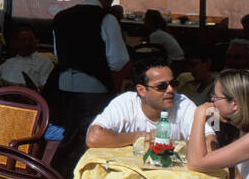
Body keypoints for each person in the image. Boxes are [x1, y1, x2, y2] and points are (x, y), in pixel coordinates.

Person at [51, 0, 132, 173]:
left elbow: (56, 54)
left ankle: (59, 176)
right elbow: (119, 60)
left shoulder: (61, 16)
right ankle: (75, 177)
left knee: (69, 133)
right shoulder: (106, 18)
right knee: (87, 137)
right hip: (94, 87)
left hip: (63, 85)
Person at [87, 57, 218, 152]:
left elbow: (211, 143)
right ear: (141, 90)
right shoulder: (125, 103)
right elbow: (93, 138)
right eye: (162, 86)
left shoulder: (183, 104)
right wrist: (143, 136)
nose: (171, 90)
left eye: (173, 84)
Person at [0, 25, 54, 89]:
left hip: (27, 95)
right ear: (16, 43)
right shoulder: (9, 62)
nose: (27, 43)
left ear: (36, 41)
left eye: (30, 40)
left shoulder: (45, 62)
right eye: (23, 40)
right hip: (1, 94)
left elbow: (46, 88)